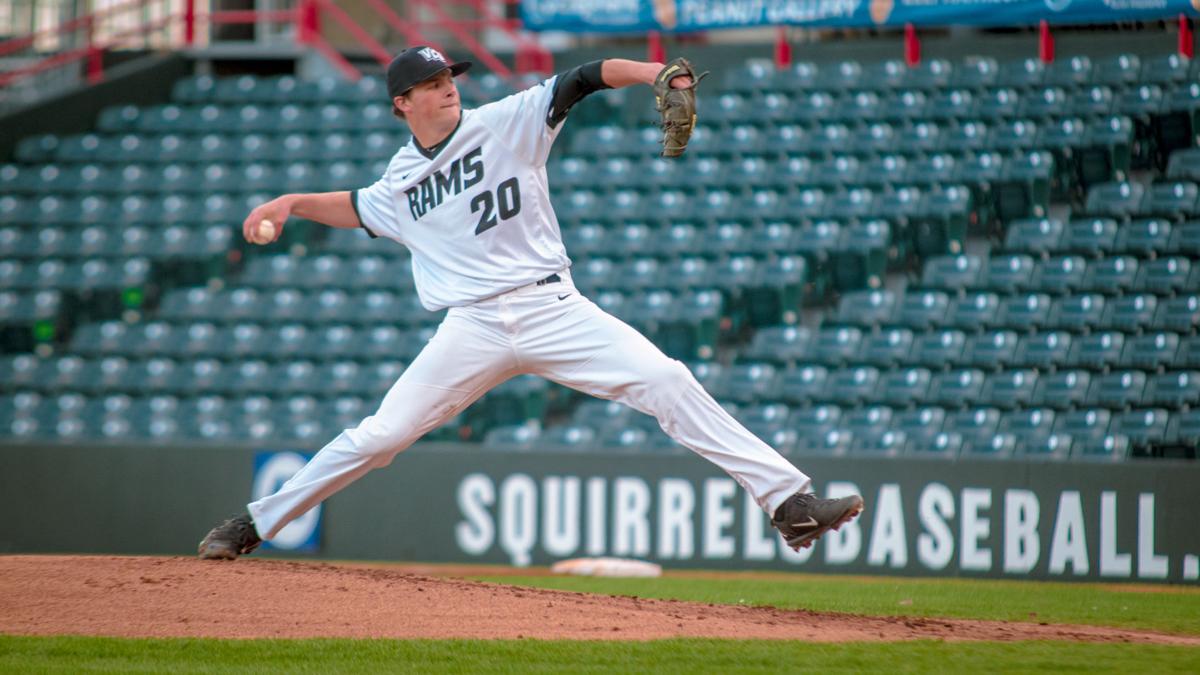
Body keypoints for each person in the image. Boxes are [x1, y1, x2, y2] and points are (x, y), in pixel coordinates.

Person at [198, 46, 864, 561]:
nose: (447, 86)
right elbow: (353, 207)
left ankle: (789, 502)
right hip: (473, 327)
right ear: (402, 102)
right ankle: (253, 523)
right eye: (430, 84)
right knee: (381, 436)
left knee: (667, 378)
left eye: (448, 77)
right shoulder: (399, 182)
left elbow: (581, 78)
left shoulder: (504, 122)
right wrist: (289, 204)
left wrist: (652, 71)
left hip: (553, 308)